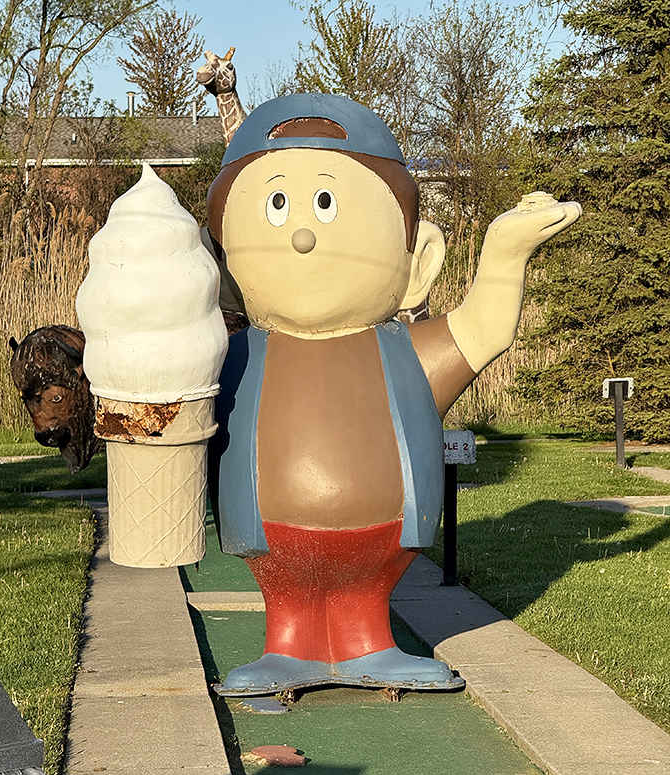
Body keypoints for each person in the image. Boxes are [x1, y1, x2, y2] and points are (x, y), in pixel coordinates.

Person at [206, 93, 581, 696]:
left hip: (382, 537)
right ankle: (288, 641)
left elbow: (483, 328)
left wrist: (506, 250)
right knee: (291, 606)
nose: (302, 236)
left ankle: (367, 639)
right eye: (277, 205)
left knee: (363, 611)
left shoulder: (405, 352)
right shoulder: (237, 355)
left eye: (325, 203)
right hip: (270, 534)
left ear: (419, 261)